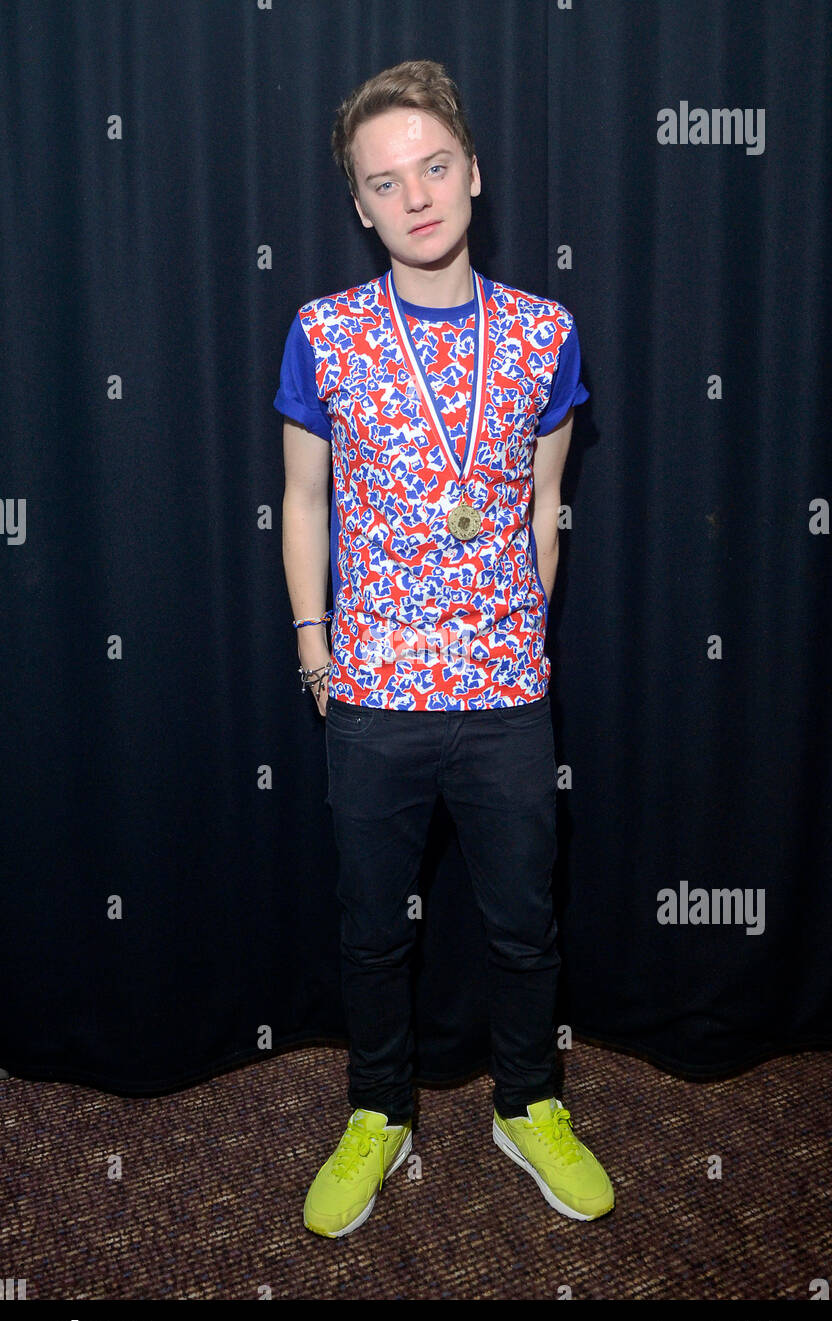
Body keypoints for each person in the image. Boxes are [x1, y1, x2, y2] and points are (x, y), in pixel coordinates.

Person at [275, 58, 613, 1239]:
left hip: (505, 693)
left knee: (524, 921)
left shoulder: (542, 333)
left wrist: (527, 637)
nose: (414, 196)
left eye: (432, 167)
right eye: (384, 182)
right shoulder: (322, 333)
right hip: (368, 692)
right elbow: (304, 500)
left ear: (471, 171)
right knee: (371, 929)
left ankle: (528, 1105)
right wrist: (317, 652)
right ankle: (379, 1111)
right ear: (360, 207)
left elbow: (541, 503)